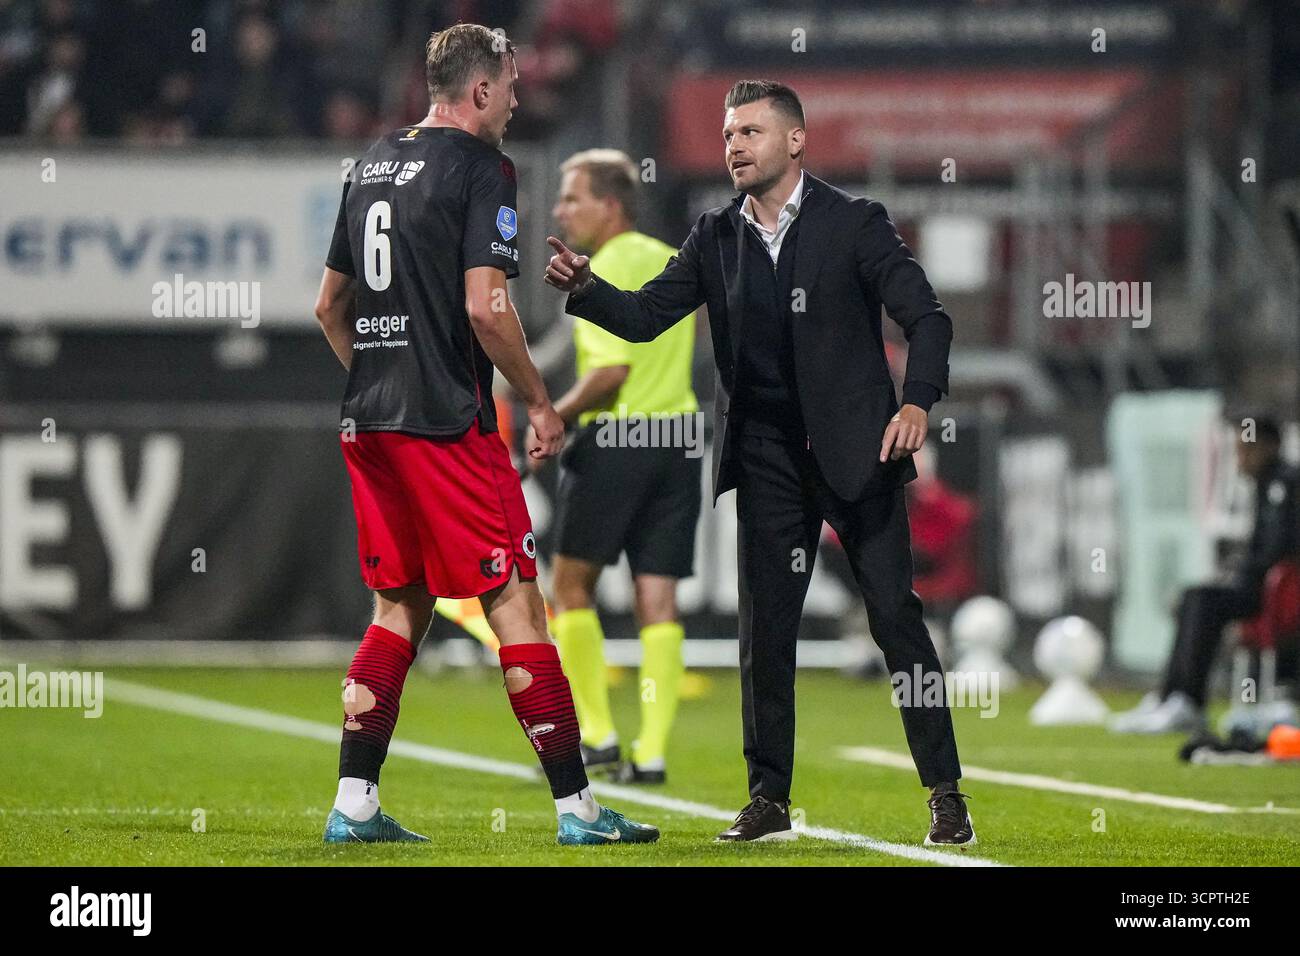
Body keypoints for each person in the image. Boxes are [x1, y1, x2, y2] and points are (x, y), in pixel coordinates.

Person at [545, 79, 973, 845]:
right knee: (764, 632)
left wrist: (918, 403)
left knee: (896, 621)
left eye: (749, 132)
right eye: (728, 134)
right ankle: (768, 798)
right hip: (770, 458)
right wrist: (588, 289)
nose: (733, 146)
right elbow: (646, 318)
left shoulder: (855, 223)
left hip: (859, 451)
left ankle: (945, 792)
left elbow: (927, 315)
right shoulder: (715, 235)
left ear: (796, 142)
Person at [313, 23, 657, 846]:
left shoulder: (369, 164)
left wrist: (380, 374)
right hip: (445, 422)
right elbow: (485, 307)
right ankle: (579, 811)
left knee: (400, 602)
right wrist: (540, 402)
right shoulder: (481, 167)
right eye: (507, 85)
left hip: (371, 418)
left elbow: (328, 306)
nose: (514, 98)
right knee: (515, 603)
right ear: (477, 92)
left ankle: (354, 804)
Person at [536, 149, 701, 784]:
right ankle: (652, 751)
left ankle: (599, 737)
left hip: (619, 439)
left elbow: (610, 373)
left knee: (571, 586)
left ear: (610, 205)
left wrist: (557, 414)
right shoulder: (670, 258)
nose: (560, 210)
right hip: (679, 438)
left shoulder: (601, 268)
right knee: (657, 598)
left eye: (572, 199)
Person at [1111, 414, 1299, 734]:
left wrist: (1239, 575)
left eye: (1247, 450)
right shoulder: (1264, 485)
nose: (1240, 459)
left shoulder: (1286, 482)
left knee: (1203, 601)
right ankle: (1171, 697)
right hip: (1259, 585)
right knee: (1193, 597)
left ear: (1271, 447)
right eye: (1237, 450)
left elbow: (1279, 548)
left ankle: (1188, 702)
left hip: (1279, 591)